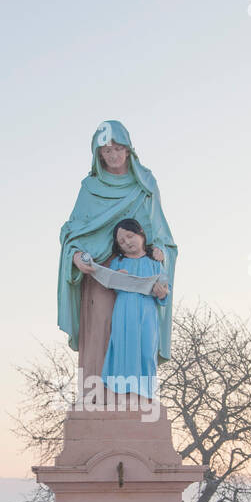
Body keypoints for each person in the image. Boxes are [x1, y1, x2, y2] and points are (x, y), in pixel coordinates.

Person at [57, 121, 177, 387]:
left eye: (117, 149)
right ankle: (97, 398)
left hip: (139, 272)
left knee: (137, 332)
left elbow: (161, 234)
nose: (112, 156)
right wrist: (75, 257)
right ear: (98, 155)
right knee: (102, 330)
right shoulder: (90, 187)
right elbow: (72, 232)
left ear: (128, 150)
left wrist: (160, 253)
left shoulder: (145, 184)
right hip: (100, 272)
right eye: (106, 151)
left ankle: (133, 397)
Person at [95, 219, 168, 401]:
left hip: (147, 311)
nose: (127, 242)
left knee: (146, 349)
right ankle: (119, 392)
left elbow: (165, 290)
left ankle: (145, 393)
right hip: (124, 309)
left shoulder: (154, 262)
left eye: (130, 236)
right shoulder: (118, 262)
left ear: (141, 234)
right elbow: (111, 283)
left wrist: (162, 293)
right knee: (123, 347)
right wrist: (117, 277)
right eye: (122, 241)